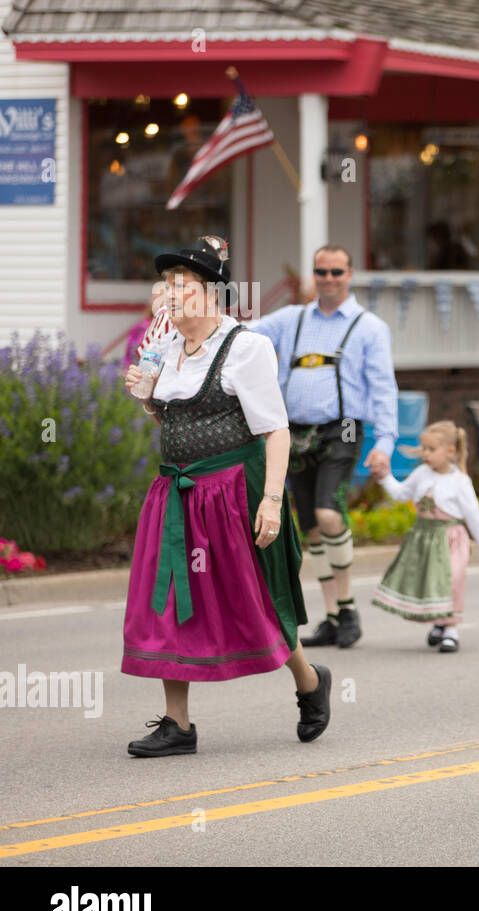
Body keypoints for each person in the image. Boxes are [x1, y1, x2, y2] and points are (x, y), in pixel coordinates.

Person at [121, 236, 329, 755]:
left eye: (183, 284)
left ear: (212, 292)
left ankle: (308, 681)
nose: (171, 293)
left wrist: (272, 501)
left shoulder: (246, 346)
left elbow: (275, 430)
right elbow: (171, 418)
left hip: (231, 492)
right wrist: (148, 401)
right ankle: (178, 724)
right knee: (170, 601)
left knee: (251, 599)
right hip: (176, 493)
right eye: (167, 285)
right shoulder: (167, 350)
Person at [249, 245, 399, 650]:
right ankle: (332, 616)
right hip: (293, 433)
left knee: (328, 513)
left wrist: (385, 442)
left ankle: (348, 607)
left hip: (345, 429)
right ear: (312, 276)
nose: (328, 279)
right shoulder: (291, 319)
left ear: (349, 274)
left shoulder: (369, 327)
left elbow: (384, 389)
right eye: (321, 271)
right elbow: (243, 336)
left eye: (336, 271)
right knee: (311, 528)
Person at [370, 421, 479, 652]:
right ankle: (439, 623)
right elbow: (401, 494)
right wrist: (385, 477)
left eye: (431, 449)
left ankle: (451, 630)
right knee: (431, 582)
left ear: (450, 451)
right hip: (423, 536)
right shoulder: (421, 474)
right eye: (424, 448)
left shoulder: (460, 482)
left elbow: (474, 516)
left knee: (451, 580)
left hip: (450, 539)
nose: (425, 454)